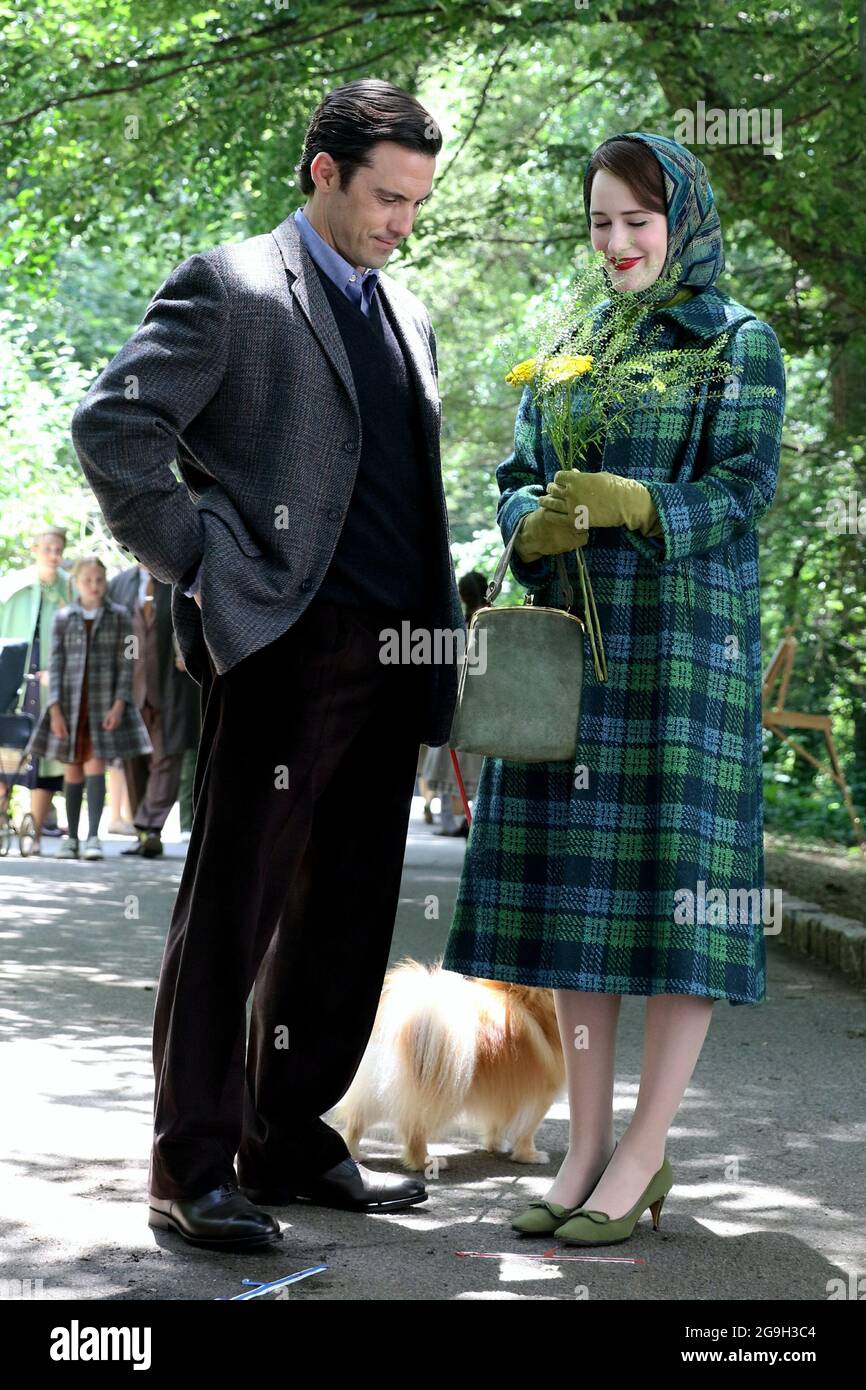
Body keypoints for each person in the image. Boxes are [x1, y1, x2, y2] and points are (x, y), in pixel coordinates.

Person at [71, 79, 464, 1251]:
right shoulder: (232, 287)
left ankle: (286, 1136)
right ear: (321, 173)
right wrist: (207, 562)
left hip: (397, 650)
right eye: (385, 198)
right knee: (232, 912)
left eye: (415, 204)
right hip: (287, 643)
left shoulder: (409, 311)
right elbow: (114, 428)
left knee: (344, 921)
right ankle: (189, 1165)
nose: (400, 222)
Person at [442, 132, 786, 1247]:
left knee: (676, 906)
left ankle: (641, 1156)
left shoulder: (739, 340)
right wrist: (523, 521)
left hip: (684, 662)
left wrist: (641, 505)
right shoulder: (573, 339)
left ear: (678, 220)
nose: (617, 242)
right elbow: (512, 474)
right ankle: (584, 1147)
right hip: (571, 669)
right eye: (599, 223)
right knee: (576, 917)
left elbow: (743, 487)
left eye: (636, 220)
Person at [25, 556, 153, 859]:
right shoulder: (64, 617)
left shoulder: (119, 616)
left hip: (102, 703)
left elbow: (126, 665)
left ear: (106, 581)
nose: (94, 586)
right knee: (72, 768)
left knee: (96, 764)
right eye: (88, 581)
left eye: (99, 580)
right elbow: (55, 665)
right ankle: (72, 840)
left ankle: (94, 837)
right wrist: (54, 709)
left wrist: (120, 704)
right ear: (76, 583)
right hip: (69, 705)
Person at [107, 563, 201, 858]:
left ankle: (151, 827)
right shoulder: (120, 584)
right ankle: (142, 829)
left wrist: (189, 651)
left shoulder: (176, 577)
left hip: (168, 686)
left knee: (166, 757)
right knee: (133, 759)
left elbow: (196, 619)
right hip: (129, 689)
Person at [0, 526, 72, 851]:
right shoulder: (13, 587)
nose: (54, 556)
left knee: (45, 753)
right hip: (13, 675)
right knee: (7, 749)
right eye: (48, 549)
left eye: (59, 550)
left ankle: (37, 833)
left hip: (51, 682)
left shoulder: (70, 590)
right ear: (35, 549)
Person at [424, 570, 488, 835]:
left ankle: (452, 822)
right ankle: (473, 823)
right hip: (485, 708)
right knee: (477, 766)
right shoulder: (495, 621)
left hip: (458, 707)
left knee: (450, 764)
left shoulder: (458, 627)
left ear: (461, 595)